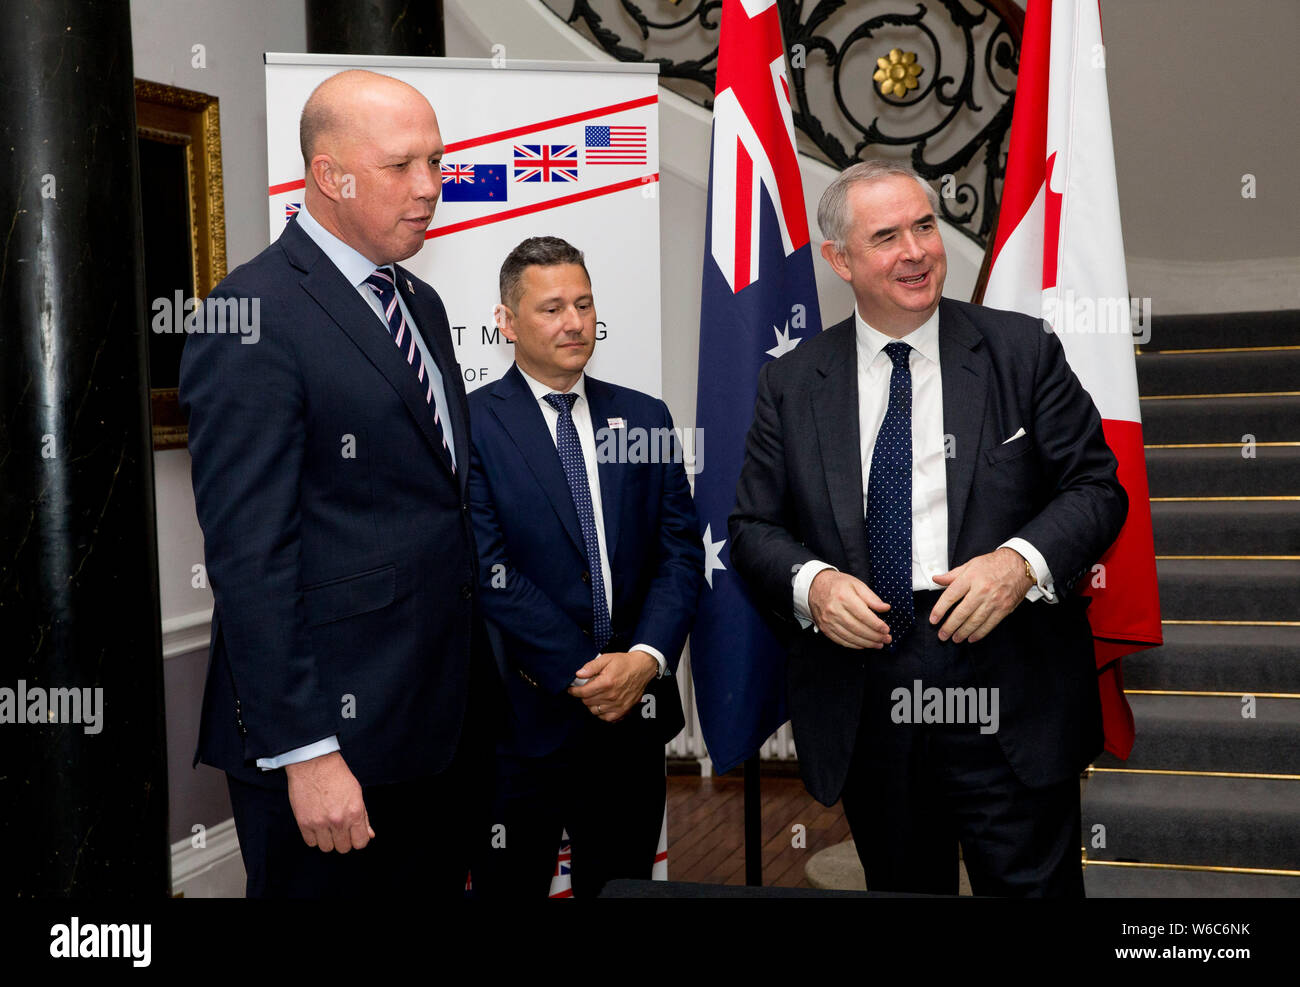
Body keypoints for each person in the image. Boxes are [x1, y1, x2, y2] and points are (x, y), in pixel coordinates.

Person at [728, 160, 1127, 897]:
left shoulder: (1022, 350)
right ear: (840, 259)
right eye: (887, 236)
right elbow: (752, 526)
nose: (916, 250)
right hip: (870, 691)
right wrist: (814, 586)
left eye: (924, 225)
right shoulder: (792, 382)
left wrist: (1019, 562)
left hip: (1008, 686)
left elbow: (1098, 490)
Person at [180, 69, 496, 897]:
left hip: (435, 734)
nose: (431, 188)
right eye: (403, 166)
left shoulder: (417, 301)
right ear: (329, 175)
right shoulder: (250, 315)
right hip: (332, 746)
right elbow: (252, 559)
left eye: (438, 161)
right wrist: (309, 752)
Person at [466, 237, 703, 897]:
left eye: (583, 302)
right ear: (507, 323)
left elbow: (680, 554)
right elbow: (490, 570)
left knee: (623, 893)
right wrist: (587, 674)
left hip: (632, 722)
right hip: (521, 726)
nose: (574, 321)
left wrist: (643, 659)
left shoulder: (645, 416)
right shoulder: (472, 426)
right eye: (551, 308)